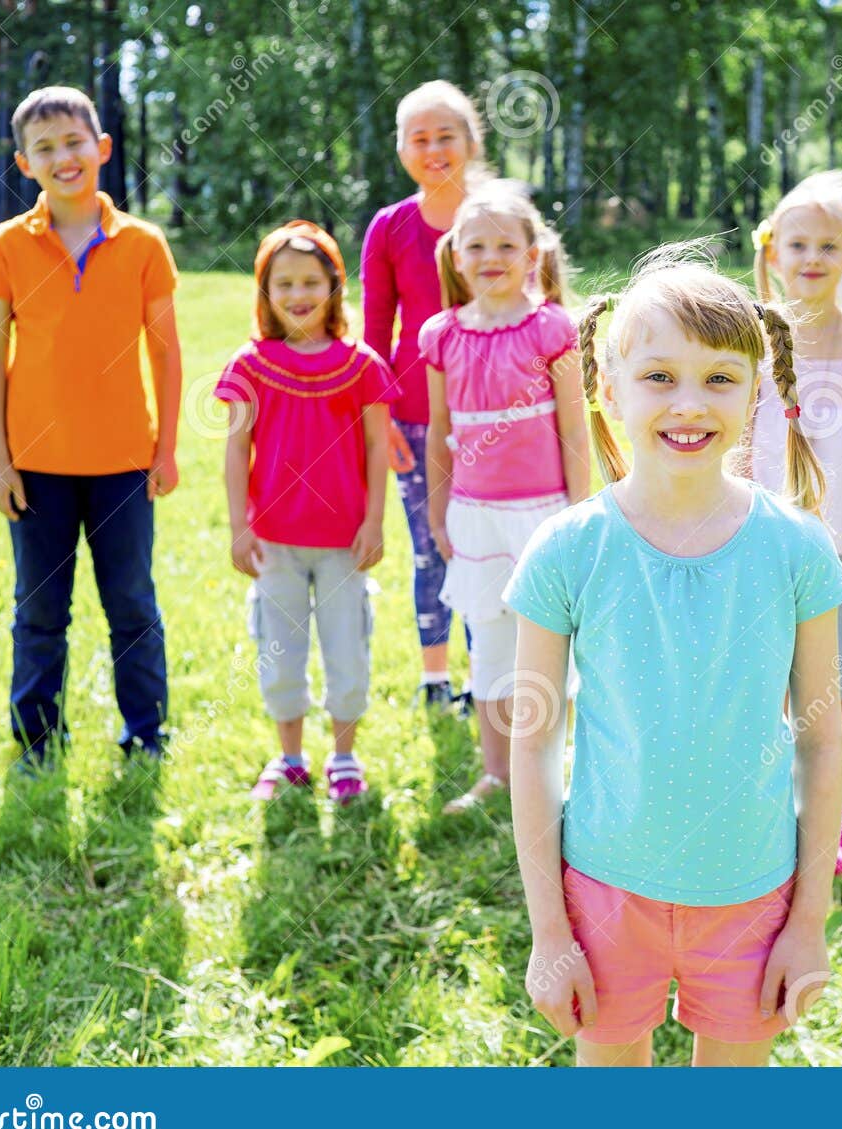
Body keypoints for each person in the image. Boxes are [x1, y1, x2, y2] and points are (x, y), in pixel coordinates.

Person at [506, 252, 842, 1065]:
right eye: (659, 376)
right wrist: (549, 930)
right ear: (609, 387)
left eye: (719, 378)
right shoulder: (567, 549)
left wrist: (809, 920)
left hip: (750, 891)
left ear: (755, 390)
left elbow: (822, 740)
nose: (689, 404)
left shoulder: (797, 548)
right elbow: (533, 743)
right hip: (603, 888)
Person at [0, 85, 181, 774]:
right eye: (45, 148)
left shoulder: (144, 243)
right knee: (38, 612)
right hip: (36, 467)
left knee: (132, 605)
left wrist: (166, 448)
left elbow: (166, 352)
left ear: (102, 147)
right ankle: (38, 742)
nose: (63, 157)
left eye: (73, 142)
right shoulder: (4, 246)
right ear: (24, 163)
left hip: (125, 463)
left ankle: (146, 733)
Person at [421, 181, 589, 813]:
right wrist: (439, 512)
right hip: (475, 518)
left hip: (544, 516)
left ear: (532, 255)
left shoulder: (552, 329)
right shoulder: (441, 335)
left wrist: (578, 516)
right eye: (476, 246)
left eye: (505, 245)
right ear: (455, 255)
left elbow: (573, 427)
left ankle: (552, 770)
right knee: (489, 645)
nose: (491, 257)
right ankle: (497, 773)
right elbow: (439, 432)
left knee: (547, 648)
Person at [750, 174, 842, 875]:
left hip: (841, 550)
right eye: (798, 244)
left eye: (828, 246)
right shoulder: (753, 343)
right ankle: (782, 806)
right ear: (773, 253)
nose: (812, 257)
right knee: (771, 685)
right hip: (761, 546)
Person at [217, 222, 394, 804]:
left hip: (345, 541)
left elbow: (377, 446)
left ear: (334, 286)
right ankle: (290, 757)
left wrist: (374, 522)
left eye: (311, 281)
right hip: (275, 541)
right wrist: (239, 526)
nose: (298, 294)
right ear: (265, 291)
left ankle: (344, 757)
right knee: (279, 651)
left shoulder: (361, 365)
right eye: (285, 283)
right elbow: (236, 450)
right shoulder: (251, 365)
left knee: (347, 650)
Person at [361, 80, 486, 712]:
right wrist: (380, 423)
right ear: (402, 149)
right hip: (413, 418)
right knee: (431, 547)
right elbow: (374, 334)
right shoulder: (390, 227)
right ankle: (436, 680)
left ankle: (485, 677)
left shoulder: (497, 219)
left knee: (487, 545)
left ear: (471, 141)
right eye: (420, 138)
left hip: (495, 415)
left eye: (446, 136)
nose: (434, 150)